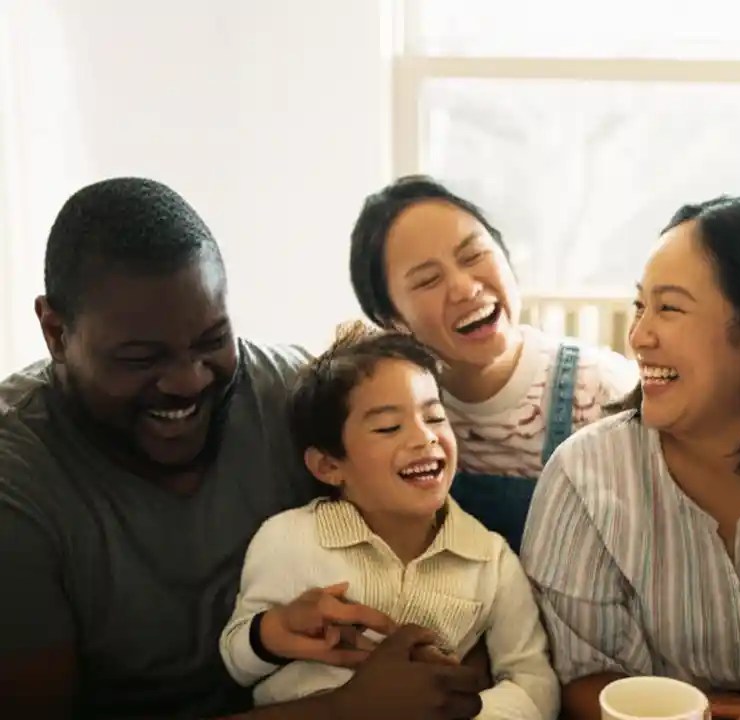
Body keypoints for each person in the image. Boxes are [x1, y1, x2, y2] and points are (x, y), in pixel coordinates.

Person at [0, 177, 487, 719]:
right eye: (141, 358)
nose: (187, 381)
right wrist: (343, 710)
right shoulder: (17, 476)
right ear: (55, 332)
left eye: (212, 340)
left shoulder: (290, 396)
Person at [519, 195, 740, 720]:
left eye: (669, 308)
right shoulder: (585, 477)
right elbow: (580, 681)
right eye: (640, 306)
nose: (639, 335)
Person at [220, 323, 557, 717]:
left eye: (434, 417)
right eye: (388, 427)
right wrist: (270, 633)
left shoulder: (493, 561)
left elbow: (534, 684)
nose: (424, 438)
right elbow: (236, 663)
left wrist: (468, 710)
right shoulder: (285, 539)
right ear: (329, 465)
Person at [349, 176, 637, 552]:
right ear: (391, 321)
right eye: (428, 280)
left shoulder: (603, 389)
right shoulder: (393, 416)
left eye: (473, 256)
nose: (465, 288)